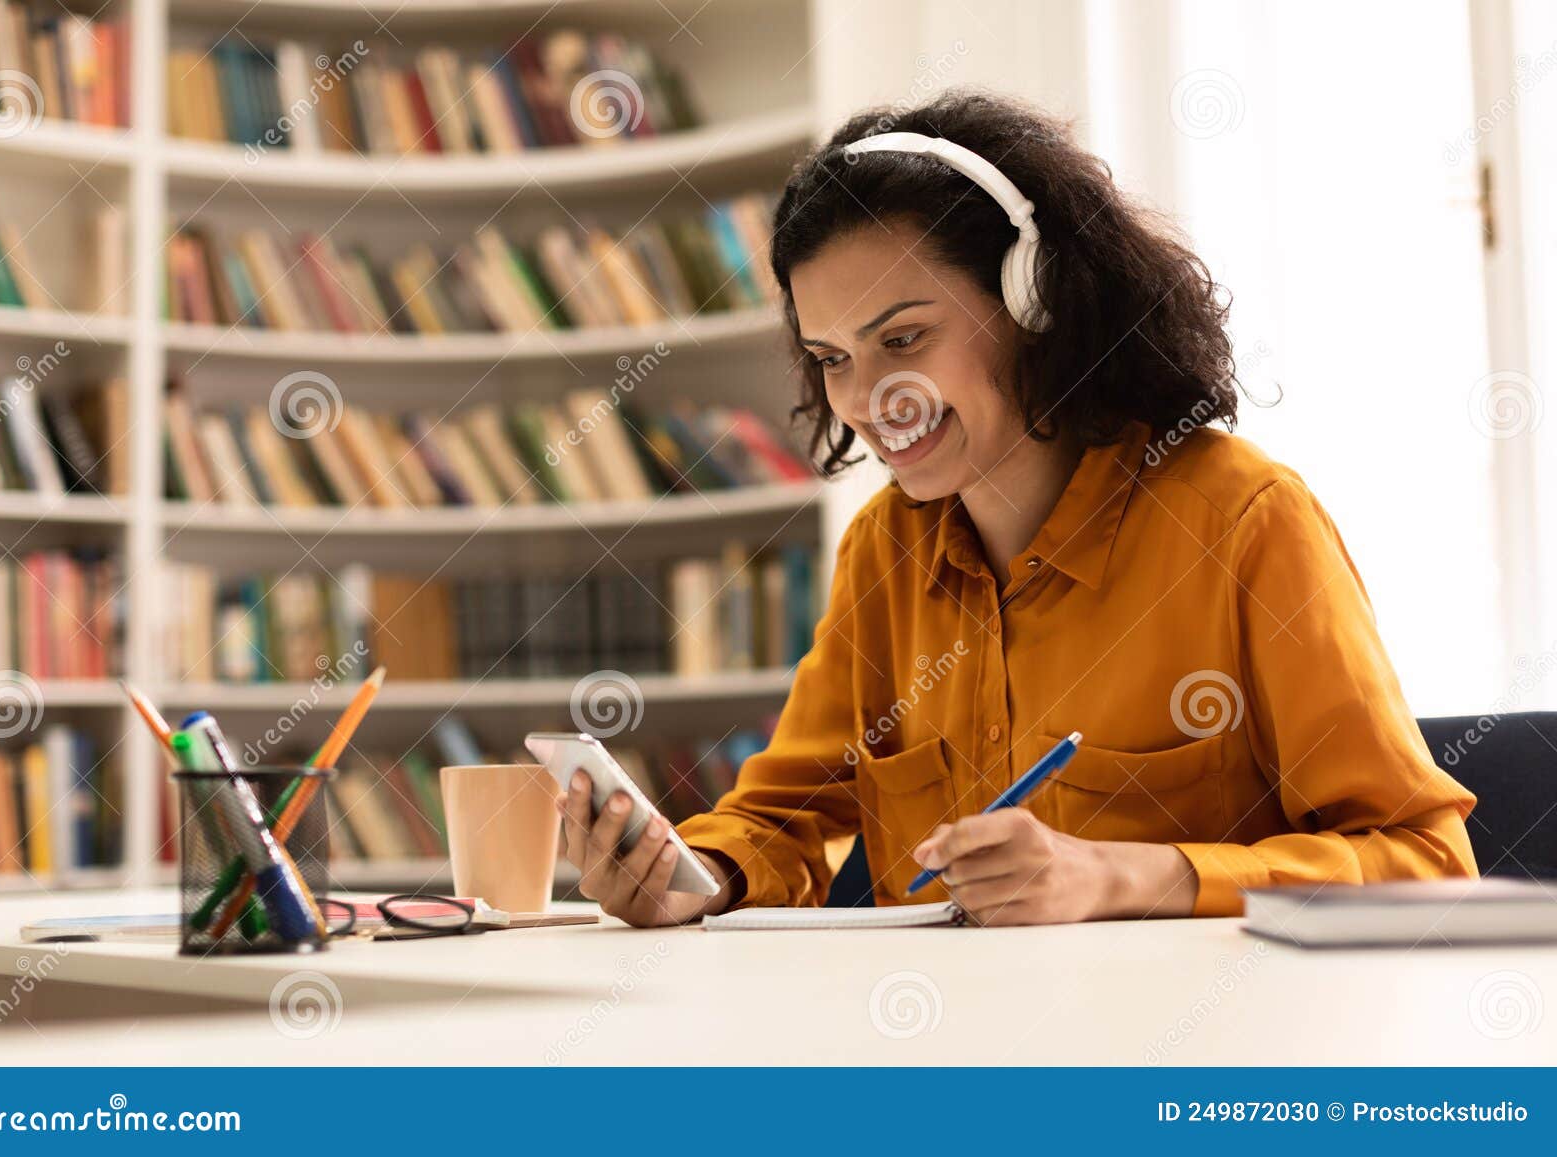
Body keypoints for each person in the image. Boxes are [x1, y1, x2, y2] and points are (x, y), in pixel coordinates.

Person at [557, 89, 1477, 928]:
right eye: (834, 358)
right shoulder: (887, 548)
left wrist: (1126, 876)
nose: (871, 398)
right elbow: (779, 815)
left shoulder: (1243, 520)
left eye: (904, 338)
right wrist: (690, 872)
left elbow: (1429, 863)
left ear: (1035, 302)